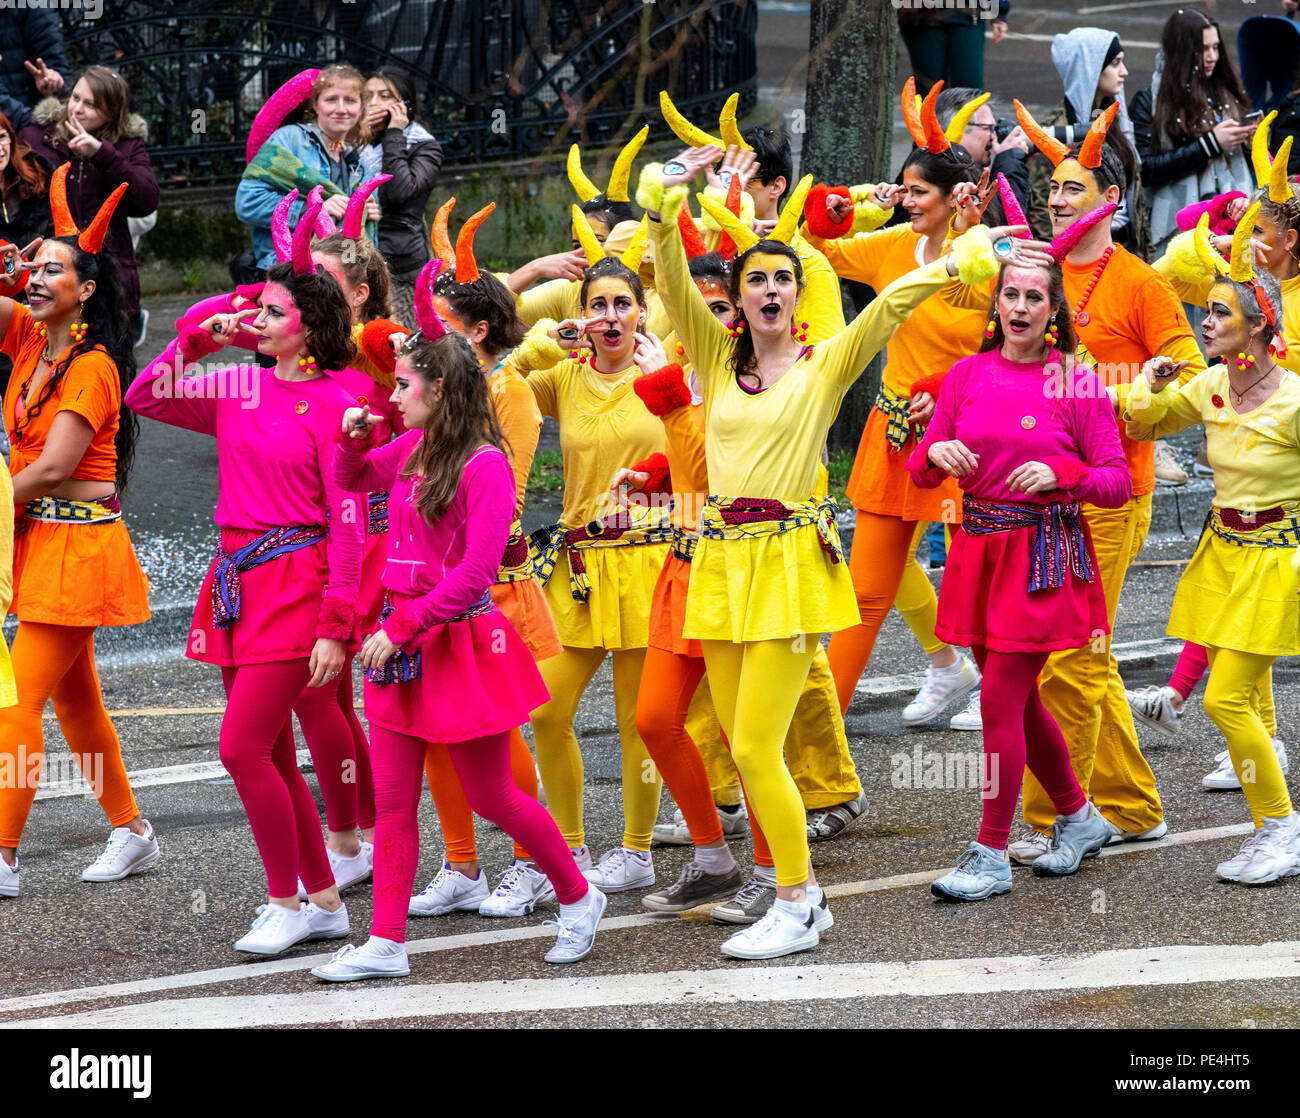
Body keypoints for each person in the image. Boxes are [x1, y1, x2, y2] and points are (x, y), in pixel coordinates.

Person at [642, 137, 1021, 958]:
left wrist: (961, 252)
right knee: (748, 751)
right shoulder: (713, 352)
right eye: (757, 280)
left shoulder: (822, 365)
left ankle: (799, 898)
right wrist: (667, 202)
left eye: (784, 277)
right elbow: (671, 278)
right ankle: (793, 895)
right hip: (722, 562)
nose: (771, 289)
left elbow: (889, 306)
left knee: (752, 745)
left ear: (797, 291)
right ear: (737, 300)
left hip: (784, 563)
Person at [314, 275, 606, 977]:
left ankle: (577, 894)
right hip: (402, 646)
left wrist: (404, 624)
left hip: (454, 646)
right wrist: (353, 442)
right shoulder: (415, 451)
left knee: (493, 795)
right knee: (392, 802)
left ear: (438, 391)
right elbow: (353, 481)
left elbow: (476, 576)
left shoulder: (484, 464)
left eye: (403, 385)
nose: (391, 396)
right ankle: (385, 943)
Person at [126, 198, 364, 954]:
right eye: (257, 307)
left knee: (239, 749)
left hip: (298, 581)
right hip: (236, 583)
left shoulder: (342, 400)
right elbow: (146, 395)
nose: (256, 318)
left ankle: (286, 901)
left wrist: (338, 622)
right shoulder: (237, 387)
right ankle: (321, 899)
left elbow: (350, 521)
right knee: (267, 753)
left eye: (272, 309)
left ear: (312, 325)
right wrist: (196, 341)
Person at [1007, 102, 1207, 866]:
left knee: (1069, 654)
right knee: (1080, 651)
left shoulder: (1137, 283)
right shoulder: (1039, 277)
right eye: (1053, 188)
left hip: (1114, 493)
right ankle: (1131, 805)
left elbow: (1189, 370)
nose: (1057, 200)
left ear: (1110, 202)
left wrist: (1124, 384)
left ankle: (1059, 814)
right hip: (1045, 495)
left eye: (1074, 189)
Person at [910, 248, 1131, 901]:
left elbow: (1115, 480)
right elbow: (922, 471)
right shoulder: (967, 374)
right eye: (1012, 295)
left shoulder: (1076, 383)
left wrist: (1063, 474)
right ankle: (1080, 817)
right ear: (997, 302)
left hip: (1042, 560)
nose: (1021, 308)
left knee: (1002, 698)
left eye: (1036, 298)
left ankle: (991, 852)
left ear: (1053, 309)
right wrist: (933, 450)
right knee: (1022, 699)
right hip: (977, 550)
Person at [806, 82, 989, 725]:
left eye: (918, 193)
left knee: (981, 588)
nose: (907, 201)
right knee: (862, 594)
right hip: (895, 431)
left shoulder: (985, 259)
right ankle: (818, 740)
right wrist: (860, 199)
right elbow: (817, 243)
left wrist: (940, 397)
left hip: (972, 438)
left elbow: (999, 350)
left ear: (953, 200)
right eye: (903, 189)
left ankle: (1009, 706)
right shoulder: (889, 246)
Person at [1124, 217, 1300, 885]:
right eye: (1206, 313)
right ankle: (1271, 823)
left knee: (1225, 699)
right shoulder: (1214, 385)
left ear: (1258, 326)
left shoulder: (1293, 400)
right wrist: (1151, 381)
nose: (1206, 323)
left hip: (1276, 558)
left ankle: (1281, 830)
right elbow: (1140, 422)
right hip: (1223, 553)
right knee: (1244, 699)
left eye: (1220, 314)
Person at [0, 172, 156, 899]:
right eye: (36, 267)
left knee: (13, 703)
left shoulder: (92, 366)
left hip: (77, 549)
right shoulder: (32, 338)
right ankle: (131, 829)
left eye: (52, 269)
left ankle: (2, 852)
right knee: (77, 704)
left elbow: (58, 465)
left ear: (88, 289)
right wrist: (8, 260)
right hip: (39, 543)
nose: (36, 279)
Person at [523, 233, 672, 894]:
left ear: (641, 313)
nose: (611, 316)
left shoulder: (665, 375)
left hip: (648, 564)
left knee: (639, 721)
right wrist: (543, 341)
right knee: (547, 711)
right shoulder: (562, 379)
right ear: (582, 315)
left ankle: (638, 850)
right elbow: (491, 376)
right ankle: (573, 849)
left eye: (623, 304)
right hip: (578, 571)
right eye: (598, 305)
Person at [19, 66, 159, 346]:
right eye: (76, 98)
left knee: (109, 366)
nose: (78, 109)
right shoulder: (39, 137)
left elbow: (146, 200)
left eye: (91, 105)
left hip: (109, 278)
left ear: (113, 113)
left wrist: (102, 154)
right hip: (50, 275)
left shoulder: (127, 146)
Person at [1130, 9, 1254, 257]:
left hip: (1233, 221)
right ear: (1181, 53)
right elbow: (1146, 169)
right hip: (1178, 228)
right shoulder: (1149, 101)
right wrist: (1209, 144)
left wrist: (1251, 143)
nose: (1212, 57)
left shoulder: (1226, 93)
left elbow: (1248, 166)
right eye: (1202, 49)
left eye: (1216, 47)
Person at [237, 64, 380, 274]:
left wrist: (369, 214)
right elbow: (247, 203)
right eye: (331, 99)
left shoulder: (358, 163)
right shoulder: (289, 139)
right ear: (315, 104)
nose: (341, 108)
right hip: (287, 271)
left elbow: (356, 237)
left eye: (350, 100)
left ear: (361, 108)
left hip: (338, 277)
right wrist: (313, 211)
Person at [1027, 29, 1149, 258]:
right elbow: (1045, 208)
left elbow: (1137, 201)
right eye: (1115, 63)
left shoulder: (1119, 120)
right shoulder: (1054, 131)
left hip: (1127, 251)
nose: (1124, 72)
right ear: (1089, 68)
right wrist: (1058, 263)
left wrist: (1146, 256)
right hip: (1080, 254)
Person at [361, 67, 444, 330]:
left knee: (404, 339)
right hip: (355, 256)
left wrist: (394, 134)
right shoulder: (352, 141)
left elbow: (399, 193)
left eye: (384, 95)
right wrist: (357, 134)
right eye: (368, 95)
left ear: (403, 105)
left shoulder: (425, 146)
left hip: (400, 259)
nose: (373, 103)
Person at [896, 3, 1009, 95]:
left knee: (969, 89)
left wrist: (999, 10)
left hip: (968, 14)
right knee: (929, 90)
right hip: (920, 14)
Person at [0, 111, 52, 249]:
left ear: (11, 138)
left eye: (2, 137)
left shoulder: (40, 173)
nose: (0, 149)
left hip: (40, 265)